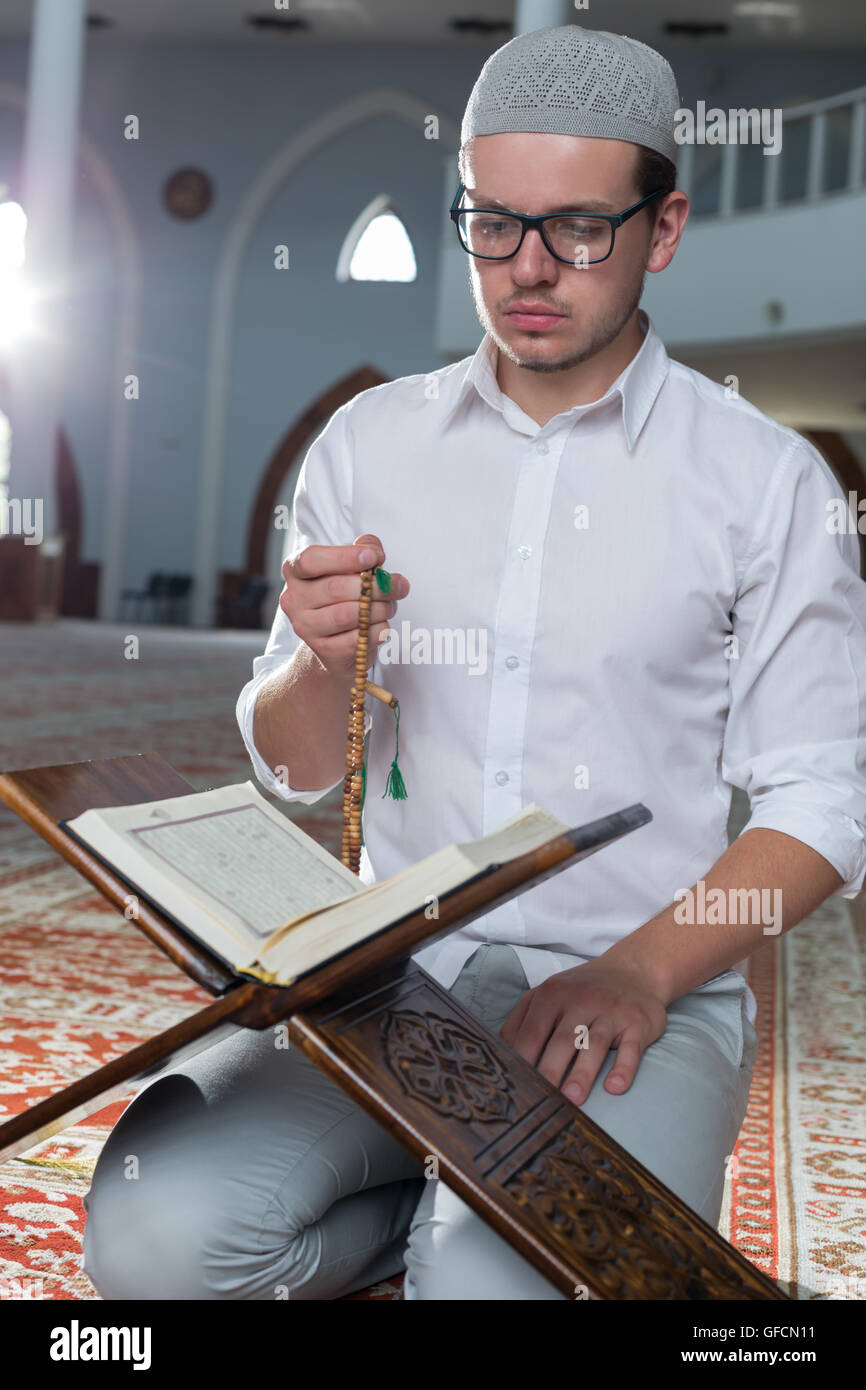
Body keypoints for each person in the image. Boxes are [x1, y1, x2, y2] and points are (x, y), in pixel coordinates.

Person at [82, 24, 866, 1301]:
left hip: (631, 983)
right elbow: (288, 764)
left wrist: (640, 970)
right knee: (153, 1241)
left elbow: (824, 803)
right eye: (490, 224)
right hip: (391, 979)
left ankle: (465, 1231)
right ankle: (429, 1217)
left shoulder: (761, 481)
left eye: (577, 229)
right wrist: (321, 666)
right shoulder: (367, 442)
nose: (526, 269)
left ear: (662, 227)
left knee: (492, 1293)